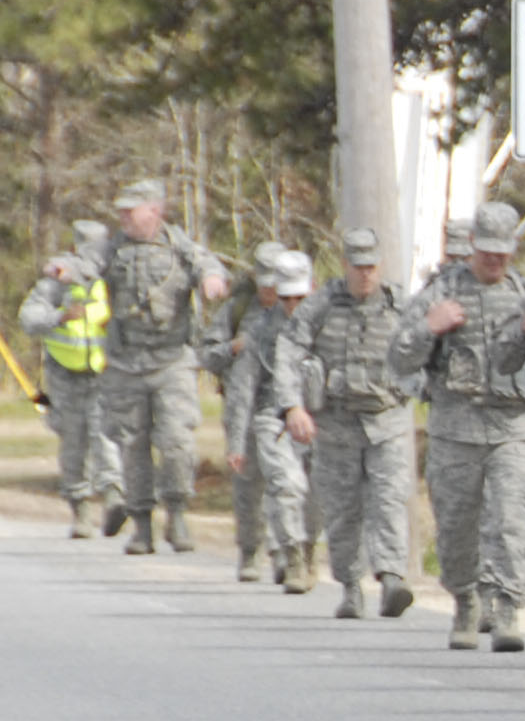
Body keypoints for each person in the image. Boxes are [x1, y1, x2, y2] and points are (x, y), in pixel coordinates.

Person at [412, 200, 525, 652]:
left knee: (510, 517)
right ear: (471, 244)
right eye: (486, 249)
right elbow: (398, 356)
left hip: (512, 429)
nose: (494, 259)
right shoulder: (441, 292)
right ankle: (466, 601)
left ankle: (507, 607)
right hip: (454, 429)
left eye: (503, 251)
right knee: (456, 527)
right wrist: (426, 330)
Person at [280, 226, 420, 620]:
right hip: (337, 424)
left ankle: (392, 577)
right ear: (345, 265)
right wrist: (293, 407)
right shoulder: (320, 304)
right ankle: (350, 586)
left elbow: (424, 344)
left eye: (371, 267)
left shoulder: (399, 305)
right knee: (343, 510)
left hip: (386, 420)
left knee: (390, 499)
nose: (365, 274)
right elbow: (289, 350)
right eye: (357, 267)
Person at [96, 180, 231, 555]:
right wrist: (65, 268)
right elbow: (86, 261)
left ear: (154, 211)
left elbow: (208, 263)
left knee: (177, 443)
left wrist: (212, 280)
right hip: (127, 362)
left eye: (131, 210)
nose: (123, 216)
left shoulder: (179, 246)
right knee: (133, 445)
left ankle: (177, 511)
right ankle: (141, 524)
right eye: (121, 210)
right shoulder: (112, 248)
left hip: (172, 360)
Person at [225, 247, 317, 589]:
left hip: (319, 420)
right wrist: (236, 441)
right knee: (287, 485)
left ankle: (308, 550)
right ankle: (291, 556)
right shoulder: (261, 331)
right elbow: (242, 387)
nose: (293, 306)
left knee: (315, 497)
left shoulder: (326, 324)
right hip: (272, 418)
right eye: (286, 298)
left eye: (300, 297)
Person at [20, 222, 116, 536]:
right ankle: (82, 511)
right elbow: (28, 318)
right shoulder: (55, 283)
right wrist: (59, 316)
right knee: (74, 443)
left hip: (105, 373)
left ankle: (115, 496)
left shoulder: (114, 280)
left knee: (108, 436)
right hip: (65, 376)